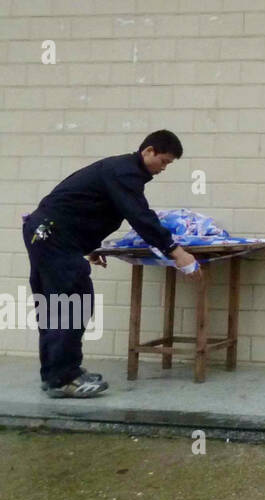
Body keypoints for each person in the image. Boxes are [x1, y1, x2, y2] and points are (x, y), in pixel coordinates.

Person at [22, 131, 198, 399]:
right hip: (53, 236)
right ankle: (63, 377)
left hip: (49, 234)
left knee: (56, 304)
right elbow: (139, 215)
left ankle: (57, 373)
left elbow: (85, 207)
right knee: (73, 300)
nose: (163, 169)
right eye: (163, 161)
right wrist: (175, 251)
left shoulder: (119, 170)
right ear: (148, 151)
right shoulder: (124, 172)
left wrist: (91, 247)